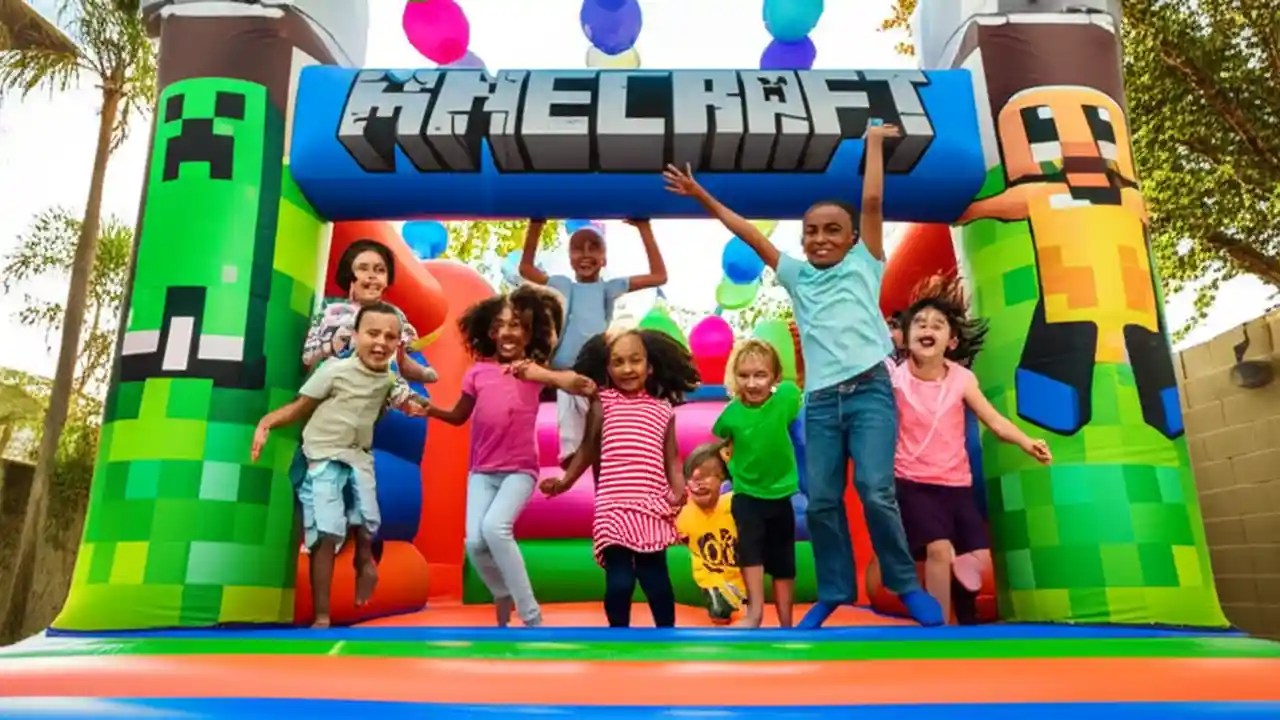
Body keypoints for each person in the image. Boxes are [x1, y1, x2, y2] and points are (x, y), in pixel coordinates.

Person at [663, 122, 946, 628]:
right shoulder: (796, 275)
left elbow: (873, 202)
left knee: (876, 489)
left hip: (869, 392)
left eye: (832, 230)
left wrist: (873, 145)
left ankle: (905, 583)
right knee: (821, 501)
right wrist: (700, 194)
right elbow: (748, 233)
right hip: (821, 401)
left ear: (852, 237)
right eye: (811, 231)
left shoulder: (865, 262)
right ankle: (834, 591)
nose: (820, 239)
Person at [424, 285, 596, 627]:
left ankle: (531, 616)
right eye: (499, 325)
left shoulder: (532, 370)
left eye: (515, 324)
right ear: (489, 333)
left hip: (519, 470)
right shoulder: (477, 373)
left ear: (529, 332)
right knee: (474, 543)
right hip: (482, 471)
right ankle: (501, 591)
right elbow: (459, 416)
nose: (507, 332)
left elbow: (578, 384)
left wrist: (542, 374)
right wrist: (429, 409)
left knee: (495, 528)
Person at [251, 302, 428, 628]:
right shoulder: (334, 370)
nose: (380, 342)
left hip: (357, 455)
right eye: (372, 334)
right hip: (321, 455)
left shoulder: (388, 379)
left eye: (390, 337)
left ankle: (364, 561)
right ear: (355, 335)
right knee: (326, 533)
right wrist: (266, 423)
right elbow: (300, 407)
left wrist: (415, 407)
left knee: (369, 519)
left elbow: (396, 403)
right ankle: (322, 614)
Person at [894, 276, 1052, 622]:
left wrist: (1027, 441)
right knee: (939, 550)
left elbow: (994, 420)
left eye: (938, 325)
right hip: (913, 482)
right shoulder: (896, 379)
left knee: (978, 558)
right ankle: (937, 626)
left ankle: (964, 591)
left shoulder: (961, 380)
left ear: (951, 341)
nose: (928, 328)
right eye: (920, 323)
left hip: (956, 484)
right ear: (905, 337)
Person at [540, 328, 699, 628]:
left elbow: (672, 459)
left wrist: (679, 490)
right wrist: (564, 482)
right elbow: (588, 449)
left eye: (635, 360)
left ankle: (666, 635)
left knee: (656, 579)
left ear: (649, 366)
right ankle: (617, 635)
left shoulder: (662, 410)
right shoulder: (603, 403)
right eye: (618, 362)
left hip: (651, 506)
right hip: (613, 508)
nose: (627, 369)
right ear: (608, 369)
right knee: (620, 582)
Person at [519, 219, 668, 469]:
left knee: (601, 431)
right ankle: (571, 456)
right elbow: (525, 268)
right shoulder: (562, 285)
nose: (586, 254)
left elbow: (659, 276)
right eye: (578, 248)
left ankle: (600, 458)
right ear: (569, 258)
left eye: (594, 247)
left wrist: (644, 228)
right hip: (565, 372)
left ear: (604, 258)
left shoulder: (608, 289)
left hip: (596, 373)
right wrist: (536, 225)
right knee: (570, 418)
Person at [712, 339, 801, 628]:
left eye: (760, 375)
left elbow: (796, 386)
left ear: (774, 377)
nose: (751, 383)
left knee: (784, 559)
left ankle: (786, 622)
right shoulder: (731, 415)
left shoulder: (785, 399)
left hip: (780, 493)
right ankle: (755, 614)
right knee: (750, 551)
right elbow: (721, 440)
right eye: (744, 375)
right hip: (747, 494)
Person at [303, 239, 438, 385]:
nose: (372, 275)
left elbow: (408, 359)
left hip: (379, 391)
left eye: (380, 270)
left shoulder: (394, 315)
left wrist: (422, 369)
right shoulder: (329, 309)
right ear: (349, 275)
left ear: (387, 279)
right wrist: (334, 342)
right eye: (363, 268)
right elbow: (307, 358)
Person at [676, 442, 746, 625]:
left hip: (742, 583)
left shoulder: (733, 504)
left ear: (723, 482)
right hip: (711, 583)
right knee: (719, 610)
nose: (698, 483)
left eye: (707, 476)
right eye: (692, 478)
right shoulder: (685, 514)